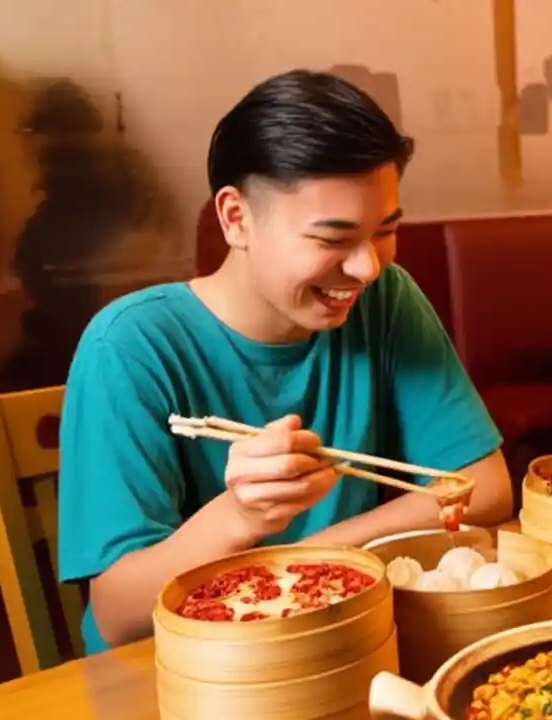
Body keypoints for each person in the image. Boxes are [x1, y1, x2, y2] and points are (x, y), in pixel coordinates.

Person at [57, 69, 513, 652]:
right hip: (183, 677)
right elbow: (119, 616)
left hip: (336, 642)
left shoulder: (386, 300)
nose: (367, 267)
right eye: (332, 239)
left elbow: (482, 486)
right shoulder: (129, 347)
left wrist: (310, 561)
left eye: (384, 231)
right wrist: (241, 517)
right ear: (235, 218)